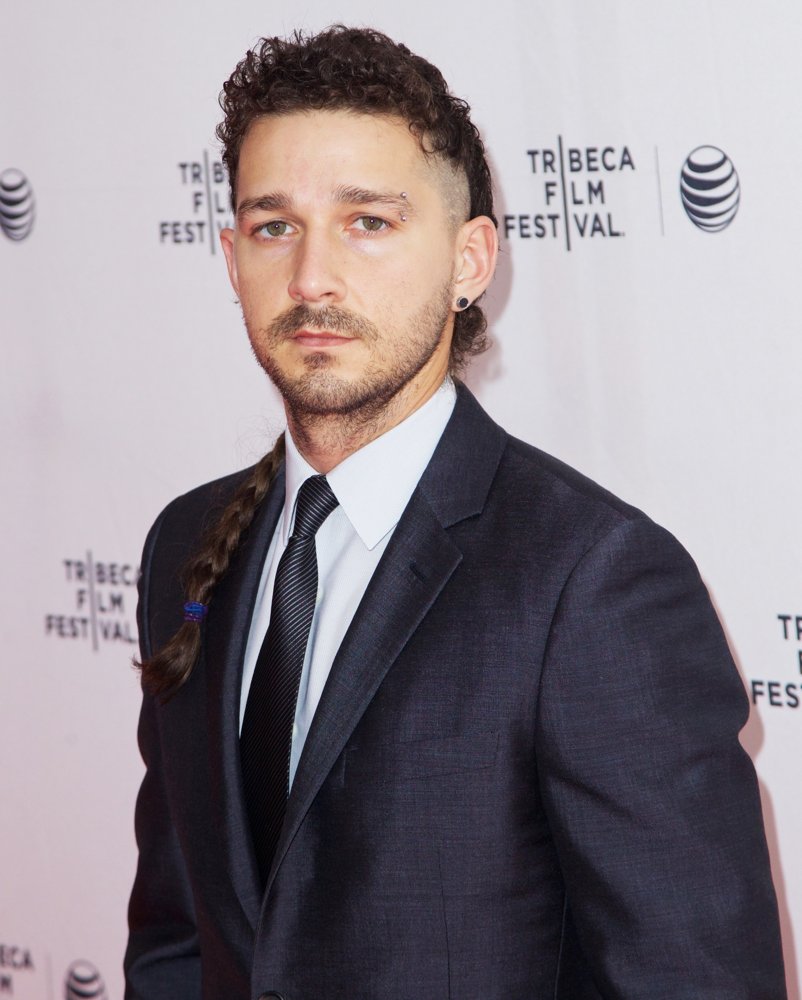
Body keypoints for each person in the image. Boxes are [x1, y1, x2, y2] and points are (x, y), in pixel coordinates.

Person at [124, 25, 786, 1000]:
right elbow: (178, 938)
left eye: (368, 221)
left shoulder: (593, 583)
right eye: (273, 227)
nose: (310, 277)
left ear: (470, 260)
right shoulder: (186, 546)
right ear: (230, 258)